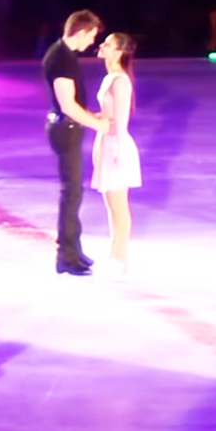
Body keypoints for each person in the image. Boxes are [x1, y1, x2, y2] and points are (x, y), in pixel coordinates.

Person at [42, 10, 111, 276]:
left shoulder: (64, 55)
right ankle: (66, 257)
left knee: (74, 192)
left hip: (68, 127)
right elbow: (67, 105)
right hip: (65, 129)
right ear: (80, 32)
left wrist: (91, 115)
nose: (93, 42)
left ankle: (74, 249)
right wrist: (97, 124)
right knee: (71, 193)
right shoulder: (61, 59)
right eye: (91, 36)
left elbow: (73, 105)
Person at [91, 33, 141, 276]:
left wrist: (118, 151)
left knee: (119, 205)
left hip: (116, 145)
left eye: (108, 44)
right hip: (106, 143)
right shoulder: (110, 77)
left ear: (119, 51)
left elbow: (121, 119)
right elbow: (106, 115)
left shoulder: (119, 80)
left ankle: (120, 257)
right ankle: (115, 254)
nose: (102, 46)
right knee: (111, 204)